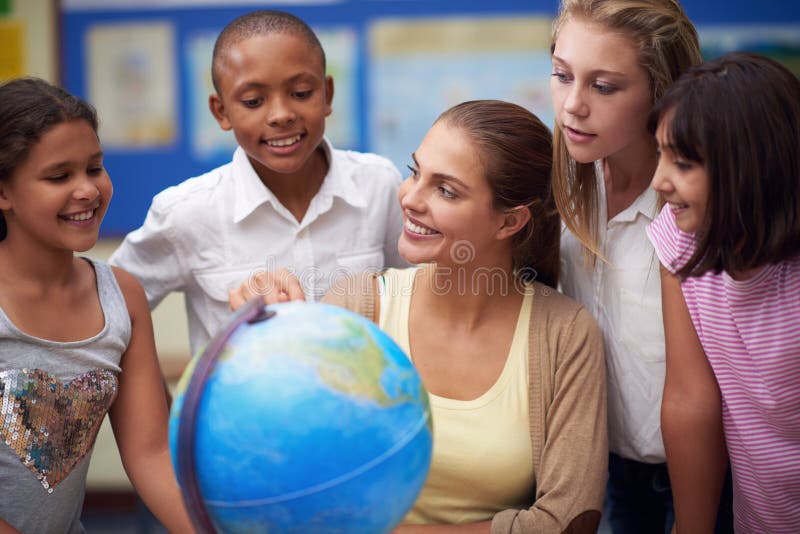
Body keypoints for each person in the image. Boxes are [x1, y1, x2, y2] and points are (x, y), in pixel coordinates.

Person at [231, 100, 608, 533]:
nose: (410, 198)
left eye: (446, 190)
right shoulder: (357, 307)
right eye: (415, 172)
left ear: (509, 222)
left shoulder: (564, 333)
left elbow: (567, 521)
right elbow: (295, 473)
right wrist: (269, 341)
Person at [109, 10, 405, 356]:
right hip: (237, 409)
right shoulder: (185, 213)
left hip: (364, 406)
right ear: (221, 112)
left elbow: (421, 299)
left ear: (327, 93)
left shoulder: (379, 185)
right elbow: (108, 314)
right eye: (253, 101)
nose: (280, 114)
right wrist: (158, 403)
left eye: (301, 92)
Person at [548, 1, 735, 532]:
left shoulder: (694, 205)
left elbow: (695, 395)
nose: (572, 106)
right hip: (601, 471)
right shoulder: (561, 189)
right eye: (562, 76)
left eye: (604, 87)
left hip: (701, 479)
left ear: (663, 91)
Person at [0, 78, 195, 533]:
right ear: (4, 192)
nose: (87, 190)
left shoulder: (122, 296)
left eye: (94, 168)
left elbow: (152, 455)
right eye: (59, 176)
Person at [647, 52, 800, 533]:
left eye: (684, 163)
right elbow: (691, 399)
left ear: (752, 167)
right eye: (660, 154)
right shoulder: (680, 240)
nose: (659, 181)